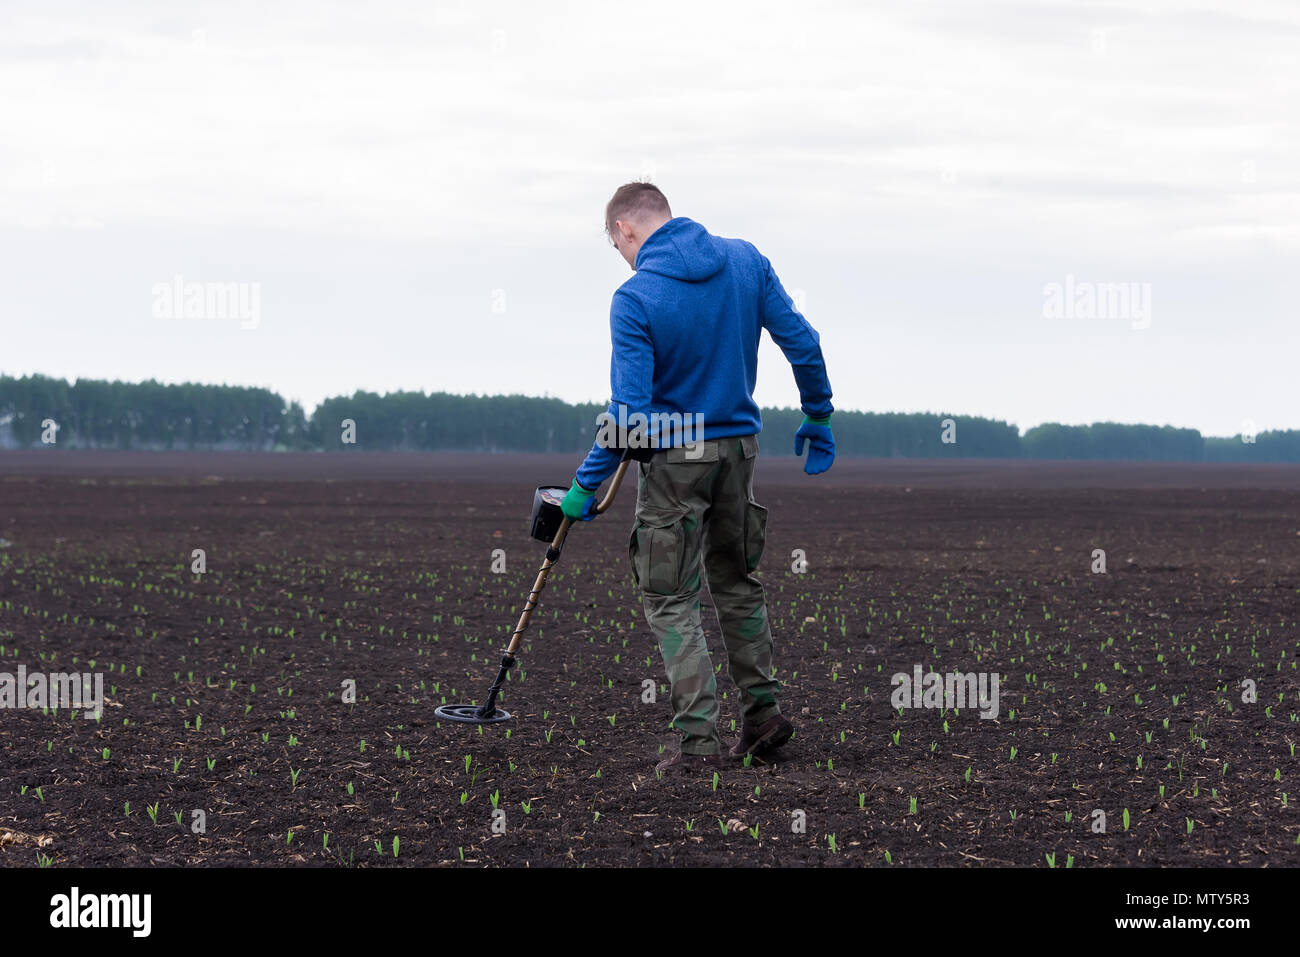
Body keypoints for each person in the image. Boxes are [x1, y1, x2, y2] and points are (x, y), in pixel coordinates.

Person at [559, 182, 835, 776]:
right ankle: (763, 716)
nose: (623, 256)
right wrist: (818, 412)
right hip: (740, 449)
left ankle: (699, 747)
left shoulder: (634, 298)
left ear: (626, 230)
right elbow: (803, 342)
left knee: (668, 595)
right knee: (737, 581)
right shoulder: (744, 260)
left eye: (617, 245)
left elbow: (630, 416)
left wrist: (585, 484)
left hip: (678, 457)